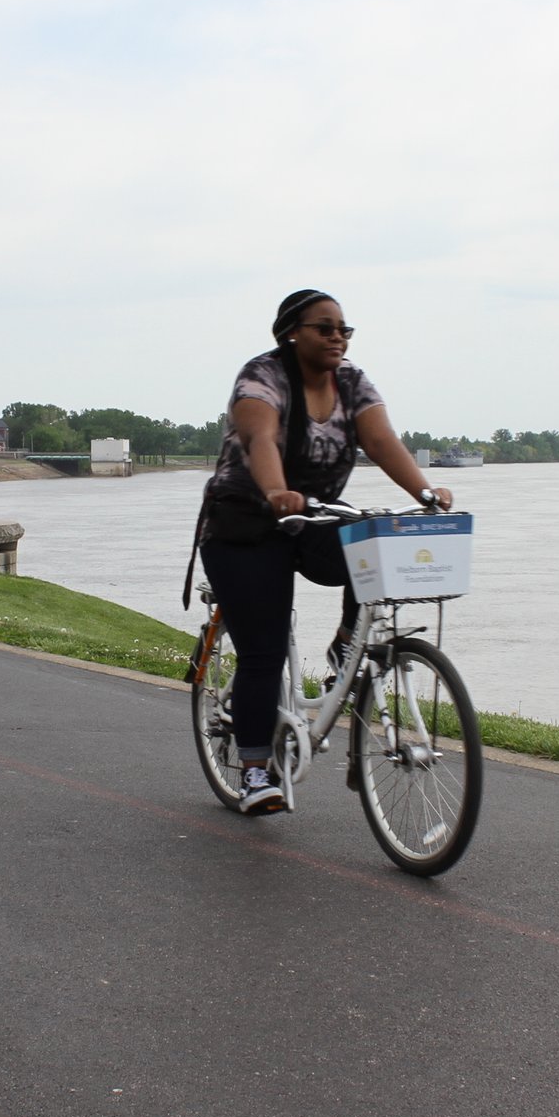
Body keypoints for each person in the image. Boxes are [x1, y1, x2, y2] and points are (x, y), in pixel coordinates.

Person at [194, 288, 452, 815]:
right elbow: (260, 438)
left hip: (312, 517)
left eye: (344, 329)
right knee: (264, 653)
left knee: (373, 544)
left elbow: (380, 442)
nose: (338, 337)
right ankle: (255, 771)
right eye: (325, 328)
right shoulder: (263, 376)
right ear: (292, 333)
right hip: (245, 523)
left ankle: (345, 648)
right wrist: (275, 491)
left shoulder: (351, 381)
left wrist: (425, 494)